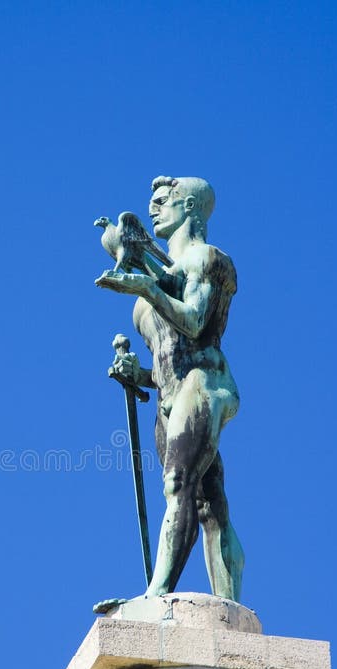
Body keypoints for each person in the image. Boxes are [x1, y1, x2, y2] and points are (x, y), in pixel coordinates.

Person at [96, 176, 244, 601]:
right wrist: (136, 373)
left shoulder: (207, 259)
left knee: (178, 483)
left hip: (205, 384)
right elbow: (165, 364)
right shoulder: (158, 278)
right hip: (169, 397)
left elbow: (196, 323)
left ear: (192, 207)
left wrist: (145, 286)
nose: (154, 209)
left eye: (164, 201)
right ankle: (230, 608)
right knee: (208, 502)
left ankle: (155, 594)